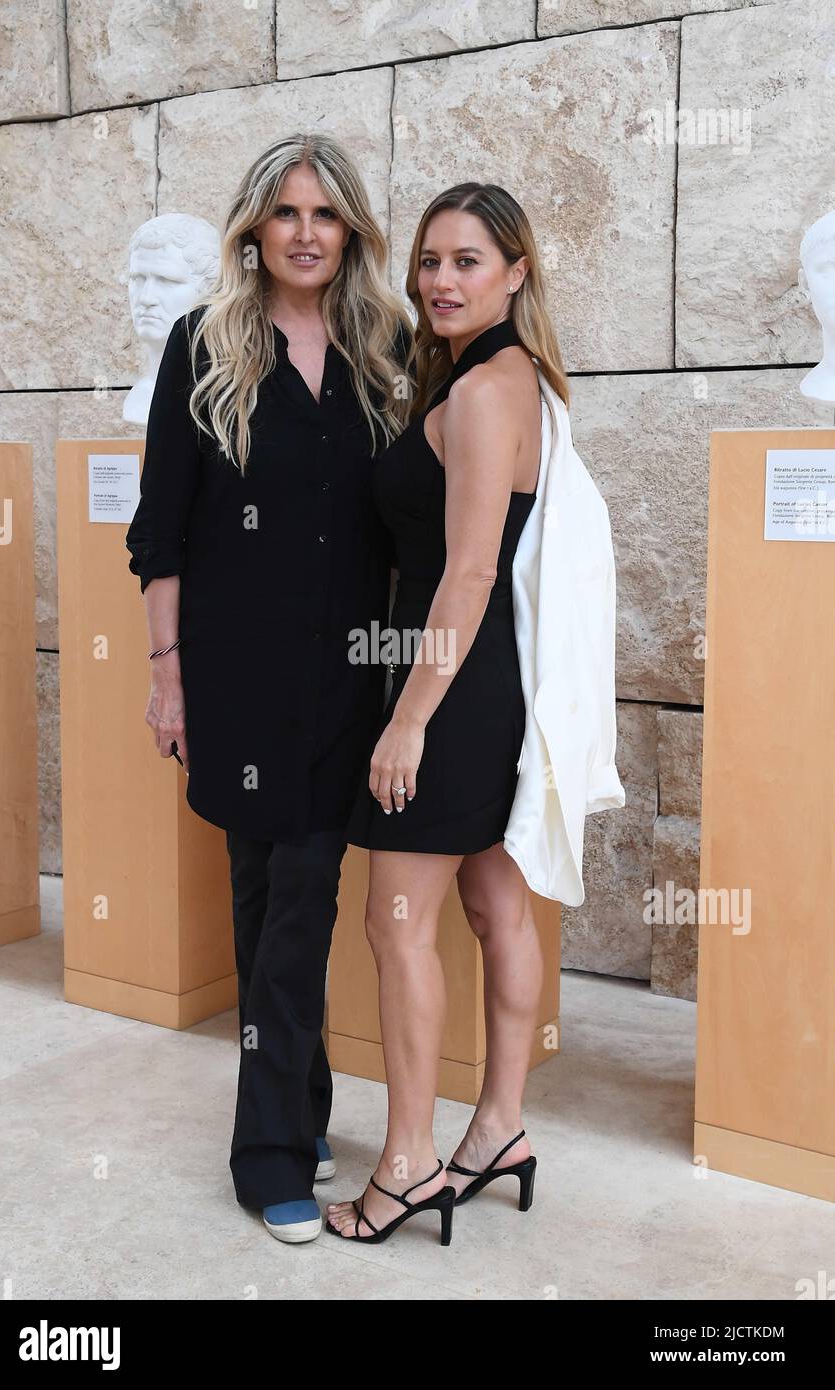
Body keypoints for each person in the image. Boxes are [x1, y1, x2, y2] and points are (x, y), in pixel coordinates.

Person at [125, 132, 411, 1245]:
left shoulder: (383, 346)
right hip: (237, 679)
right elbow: (162, 533)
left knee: (290, 903)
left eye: (325, 215)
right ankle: (280, 1139)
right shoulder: (203, 343)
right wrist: (166, 679)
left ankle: (282, 1127)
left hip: (350, 677)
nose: (304, 232)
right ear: (255, 227)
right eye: (285, 213)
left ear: (349, 231)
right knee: (277, 904)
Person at [328, 182, 571, 1243]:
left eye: (466, 260)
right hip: (487, 682)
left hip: (452, 686)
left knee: (396, 928)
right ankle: (498, 1130)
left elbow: (467, 571)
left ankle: (405, 1165)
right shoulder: (501, 376)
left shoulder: (482, 390)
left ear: (515, 272)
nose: (438, 280)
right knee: (492, 909)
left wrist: (408, 717)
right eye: (428, 260)